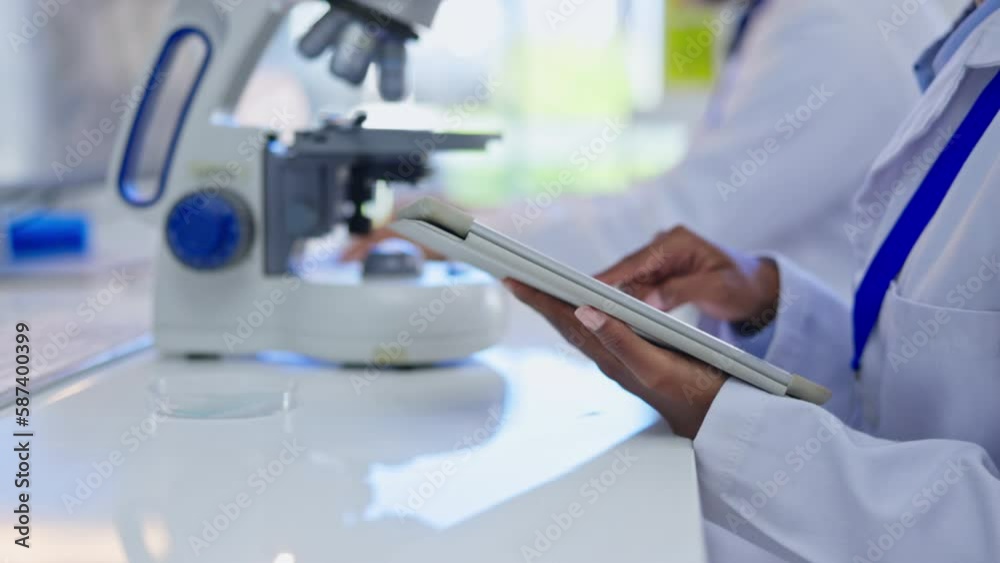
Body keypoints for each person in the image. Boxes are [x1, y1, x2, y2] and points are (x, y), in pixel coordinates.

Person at [507, 1, 1000, 560]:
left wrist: (730, 422)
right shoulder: (972, 40)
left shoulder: (837, 24)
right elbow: (916, 389)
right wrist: (768, 309)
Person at [348, 0, 948, 297]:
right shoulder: (796, 19)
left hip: (837, 407)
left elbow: (686, 224)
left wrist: (463, 235)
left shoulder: (836, 25)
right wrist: (471, 226)